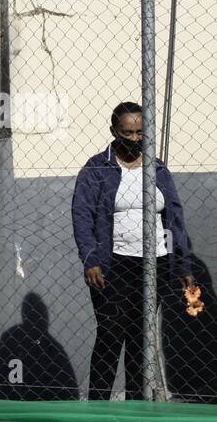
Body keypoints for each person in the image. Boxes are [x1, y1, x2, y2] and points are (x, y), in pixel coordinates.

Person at [72, 101, 195, 400]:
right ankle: (99, 403)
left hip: (155, 263)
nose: (135, 139)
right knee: (111, 333)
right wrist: (90, 259)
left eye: (141, 133)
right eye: (128, 133)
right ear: (114, 131)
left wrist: (183, 265)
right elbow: (82, 215)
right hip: (113, 264)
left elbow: (174, 217)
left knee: (141, 337)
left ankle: (135, 402)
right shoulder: (97, 169)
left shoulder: (158, 169)